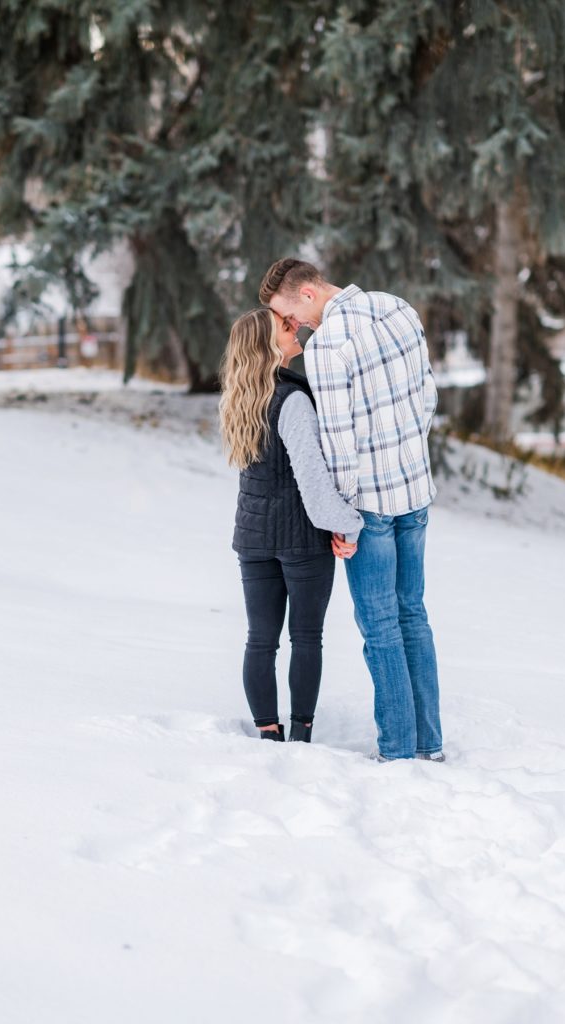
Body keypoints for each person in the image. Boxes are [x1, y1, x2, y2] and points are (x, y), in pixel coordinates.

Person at [259, 259, 444, 763]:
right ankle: (429, 744)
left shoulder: (326, 347)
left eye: (287, 314)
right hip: (415, 489)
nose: (291, 328)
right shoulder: (397, 308)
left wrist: (344, 521)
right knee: (414, 615)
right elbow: (427, 395)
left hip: (370, 506)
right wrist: (408, 449)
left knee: (381, 625)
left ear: (308, 292)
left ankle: (399, 751)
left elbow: (339, 444)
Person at [219, 308, 362, 743]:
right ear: (268, 344)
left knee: (260, 640)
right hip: (301, 539)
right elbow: (313, 482)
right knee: (306, 637)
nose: (295, 326)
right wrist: (348, 526)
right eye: (285, 326)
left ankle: (267, 730)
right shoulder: (293, 400)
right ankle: (300, 733)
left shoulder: (237, 398)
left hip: (254, 538)